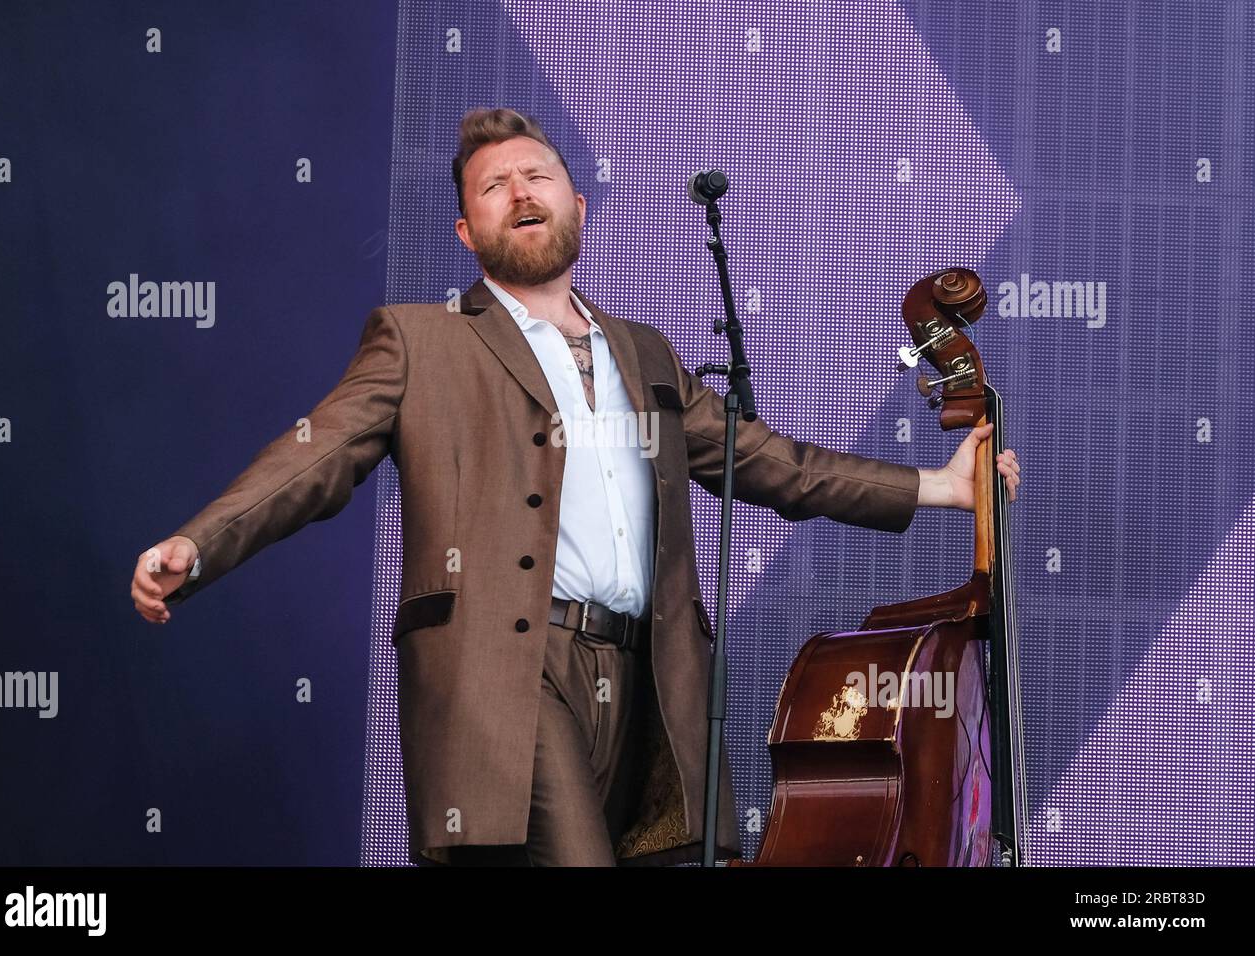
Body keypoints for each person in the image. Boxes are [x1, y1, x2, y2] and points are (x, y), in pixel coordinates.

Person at [130, 107, 1021, 866]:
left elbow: (770, 461)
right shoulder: (419, 341)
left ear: (576, 204)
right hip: (514, 674)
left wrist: (939, 487)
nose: (521, 192)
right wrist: (200, 543)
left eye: (538, 175)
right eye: (494, 186)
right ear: (466, 231)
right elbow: (312, 454)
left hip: (650, 679)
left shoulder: (646, 352)